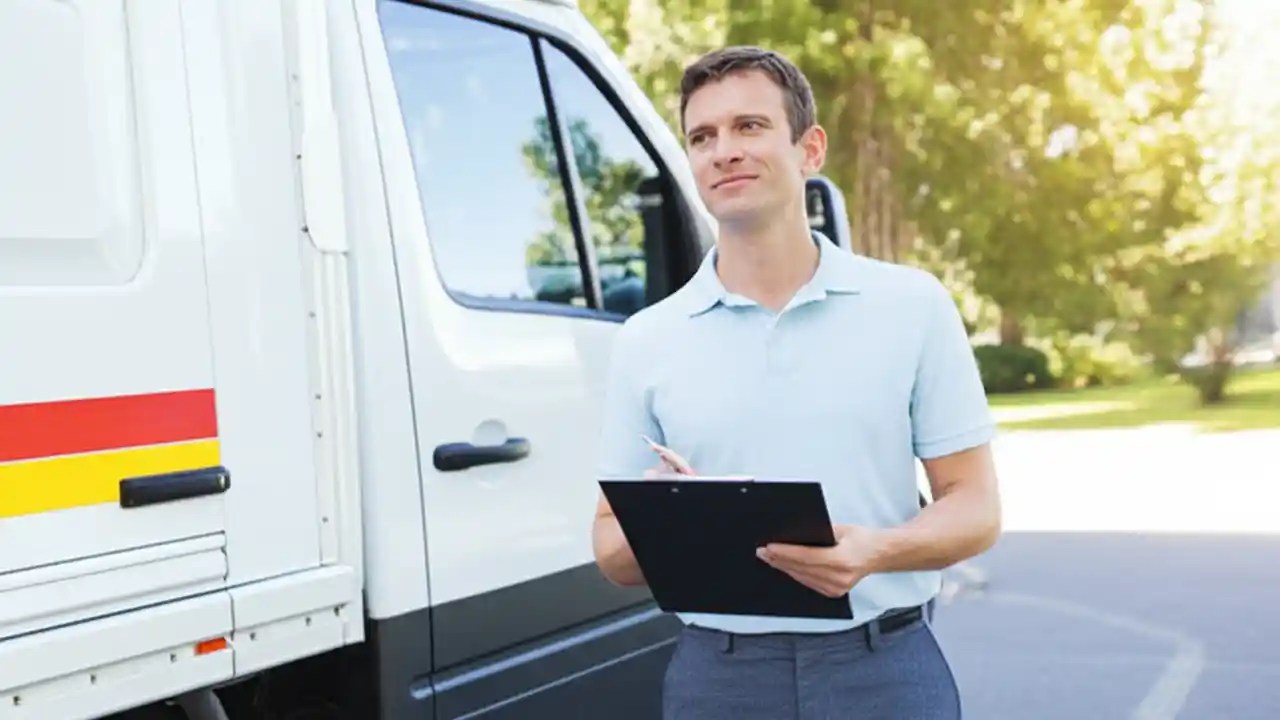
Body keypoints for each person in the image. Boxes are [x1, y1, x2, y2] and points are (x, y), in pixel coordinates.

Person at [591, 45, 1001, 719]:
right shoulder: (646, 340)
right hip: (718, 680)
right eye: (703, 136)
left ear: (810, 150)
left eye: (749, 126)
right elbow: (609, 551)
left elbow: (975, 505)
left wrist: (878, 551)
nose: (724, 150)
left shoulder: (912, 306)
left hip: (885, 671)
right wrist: (680, 522)